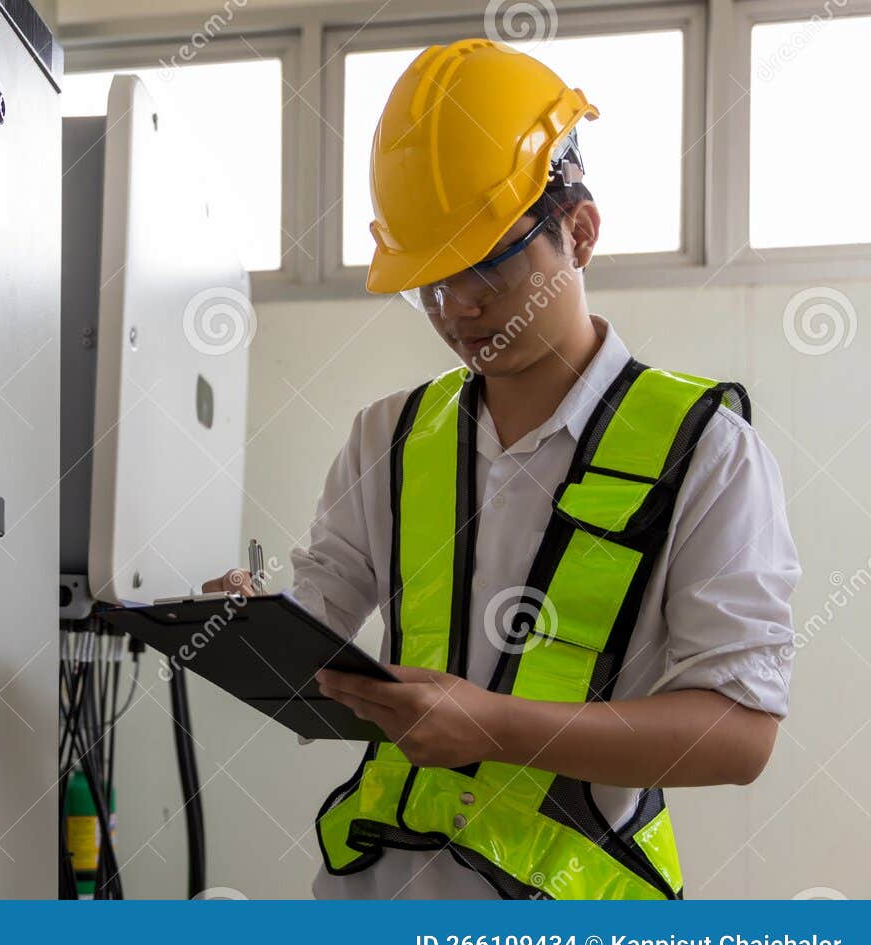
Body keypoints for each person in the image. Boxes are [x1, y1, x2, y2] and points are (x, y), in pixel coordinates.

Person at [205, 38, 798, 899]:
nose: (460, 309)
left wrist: (493, 728)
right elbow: (320, 630)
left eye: (489, 263)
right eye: (431, 282)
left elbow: (741, 736)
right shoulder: (390, 436)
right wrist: (252, 624)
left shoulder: (705, 450)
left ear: (580, 233)